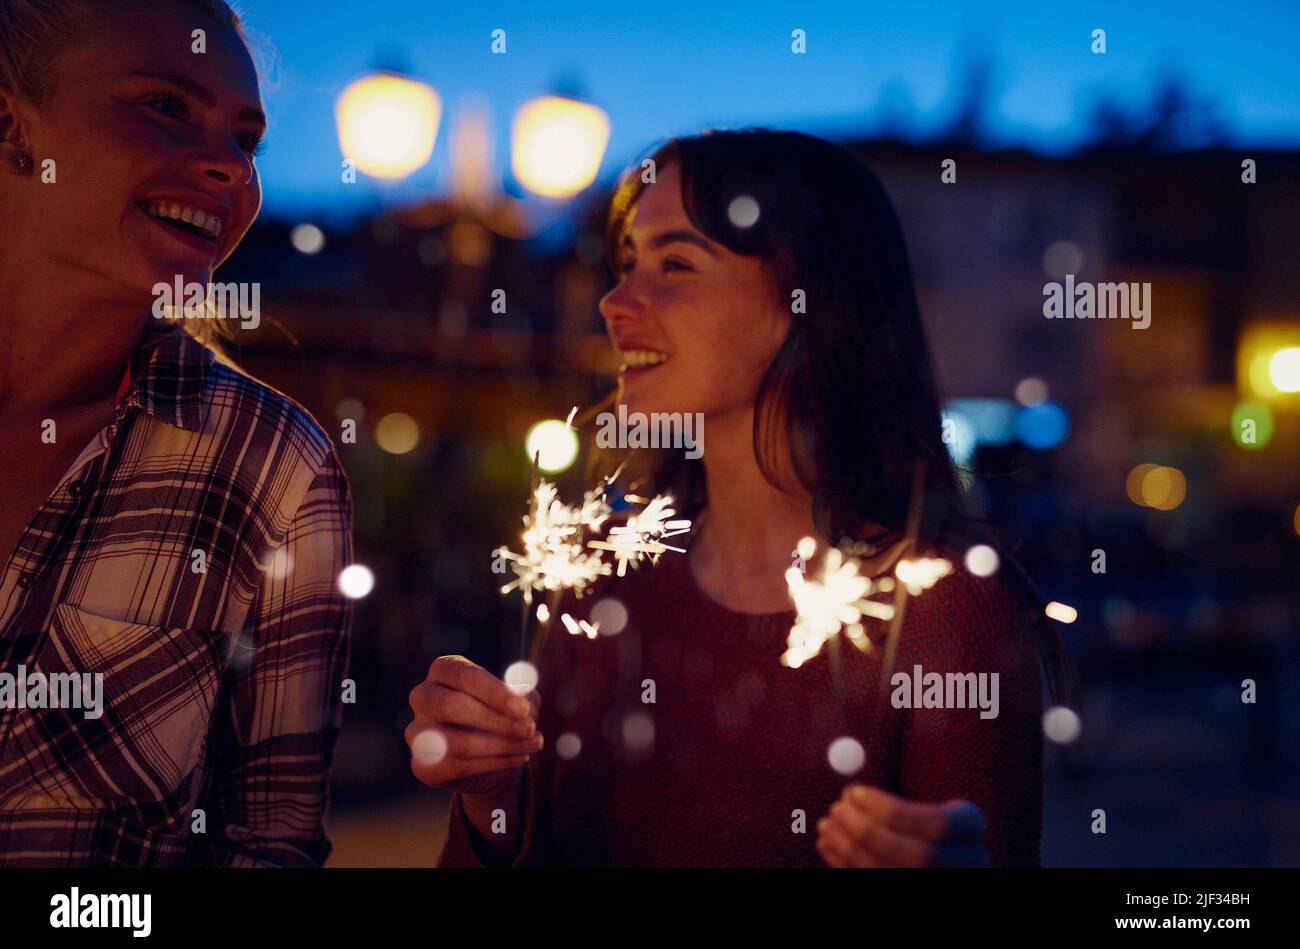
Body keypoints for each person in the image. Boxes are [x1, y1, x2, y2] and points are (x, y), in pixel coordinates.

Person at [407, 129, 1073, 867]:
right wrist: (493, 801)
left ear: (806, 300)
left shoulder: (944, 615)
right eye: (627, 263)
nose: (615, 301)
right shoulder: (599, 585)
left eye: (675, 264)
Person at [0, 0, 351, 866]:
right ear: (12, 128)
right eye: (166, 106)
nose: (231, 166)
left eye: (247, 140)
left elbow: (270, 844)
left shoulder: (272, 468)